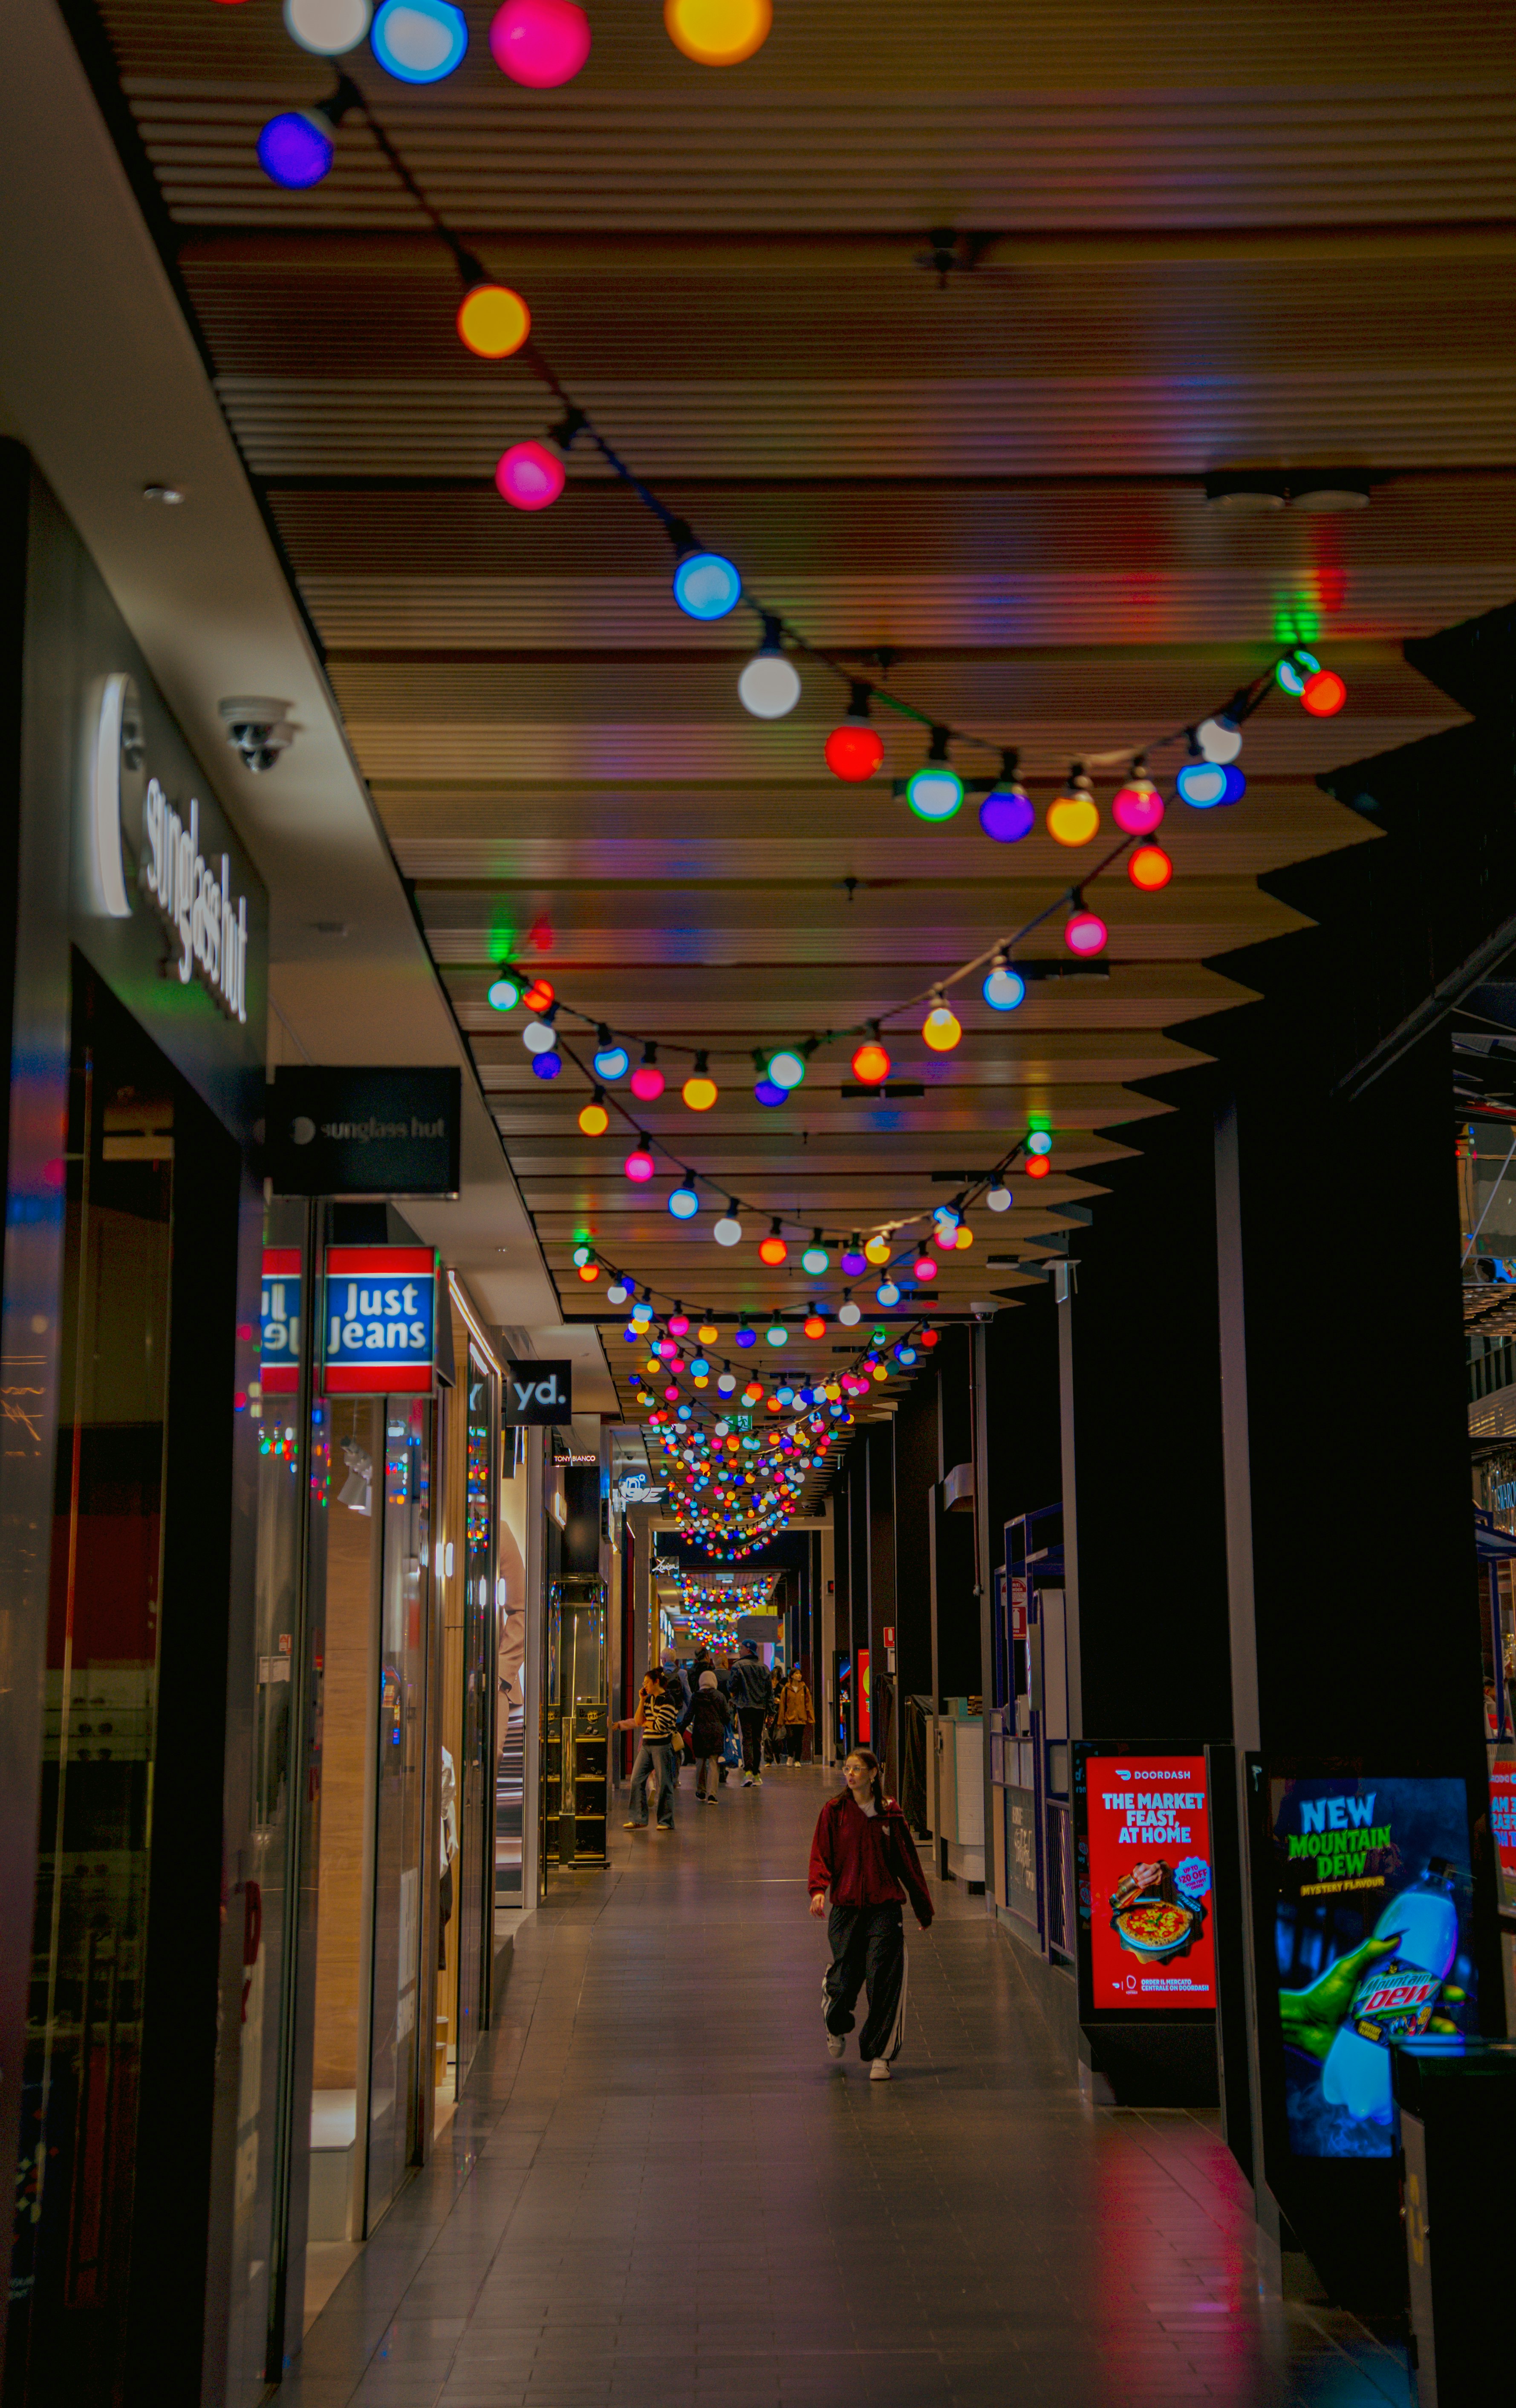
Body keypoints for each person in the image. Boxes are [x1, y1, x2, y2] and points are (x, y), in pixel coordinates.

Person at [808, 1747, 933, 2080]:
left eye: (858, 1769)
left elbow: (907, 1862)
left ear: (874, 1773)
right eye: (847, 1769)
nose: (850, 1775)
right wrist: (818, 1890)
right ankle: (834, 2019)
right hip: (846, 1909)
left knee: (883, 1978)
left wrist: (922, 1908)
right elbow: (821, 1854)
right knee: (844, 1981)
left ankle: (881, 2054)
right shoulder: (834, 1811)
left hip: (884, 1908)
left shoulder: (890, 1814)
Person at [615, 1668, 680, 1831]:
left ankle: (666, 1821)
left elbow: (661, 1726)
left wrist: (647, 1723)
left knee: (664, 1783)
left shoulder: (668, 1700)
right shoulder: (649, 1700)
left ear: (656, 1682)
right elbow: (638, 1721)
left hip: (663, 1746)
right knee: (636, 1779)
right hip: (647, 1745)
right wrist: (642, 1701)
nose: (645, 1686)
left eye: (647, 1683)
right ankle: (638, 1819)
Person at [726, 1641, 774, 1787]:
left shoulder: (738, 1666)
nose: (740, 1651)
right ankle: (757, 1774)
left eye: (741, 1648)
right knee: (757, 1740)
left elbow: (731, 1686)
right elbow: (769, 1693)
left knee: (746, 1739)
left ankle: (747, 1774)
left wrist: (735, 1697)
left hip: (744, 1707)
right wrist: (771, 1713)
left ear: (748, 1650)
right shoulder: (764, 1668)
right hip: (760, 1709)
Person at [687, 1669, 732, 1803]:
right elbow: (726, 1716)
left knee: (700, 1762)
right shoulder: (720, 1696)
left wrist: (680, 1730)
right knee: (714, 1762)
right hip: (716, 1732)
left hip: (700, 1733)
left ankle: (701, 1791)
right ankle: (712, 1795)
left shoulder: (696, 1696)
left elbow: (688, 1716)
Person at [775, 1664, 814, 1764]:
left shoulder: (804, 1689)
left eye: (800, 1674)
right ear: (792, 1676)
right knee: (790, 1738)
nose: (799, 1676)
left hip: (801, 1719)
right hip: (790, 1718)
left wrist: (811, 1718)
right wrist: (781, 1720)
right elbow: (783, 1705)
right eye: (797, 1674)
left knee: (799, 1740)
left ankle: (797, 1760)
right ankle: (790, 1756)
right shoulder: (786, 1690)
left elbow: (808, 1704)